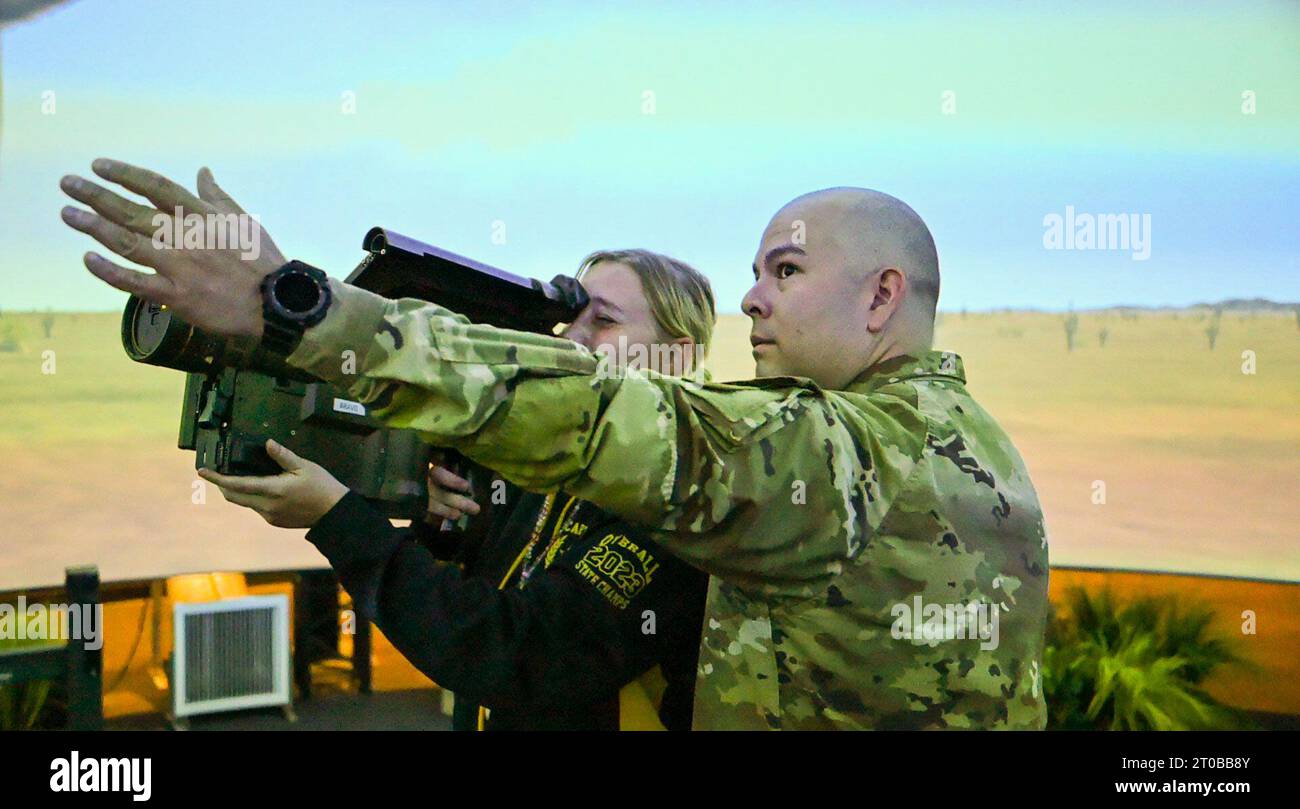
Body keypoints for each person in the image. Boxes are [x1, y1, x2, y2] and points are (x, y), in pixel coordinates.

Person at [60, 160, 1050, 729]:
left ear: (882, 294)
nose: (753, 295)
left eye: (785, 271)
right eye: (754, 270)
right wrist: (454, 525)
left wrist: (299, 310)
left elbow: (529, 644)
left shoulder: (845, 454)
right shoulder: (960, 437)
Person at [216, 250, 715, 731]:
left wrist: (338, 520)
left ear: (678, 355)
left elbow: (515, 657)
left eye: (604, 322)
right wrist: (436, 523)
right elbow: (454, 614)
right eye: (570, 321)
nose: (571, 340)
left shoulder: (683, 493)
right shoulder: (546, 460)